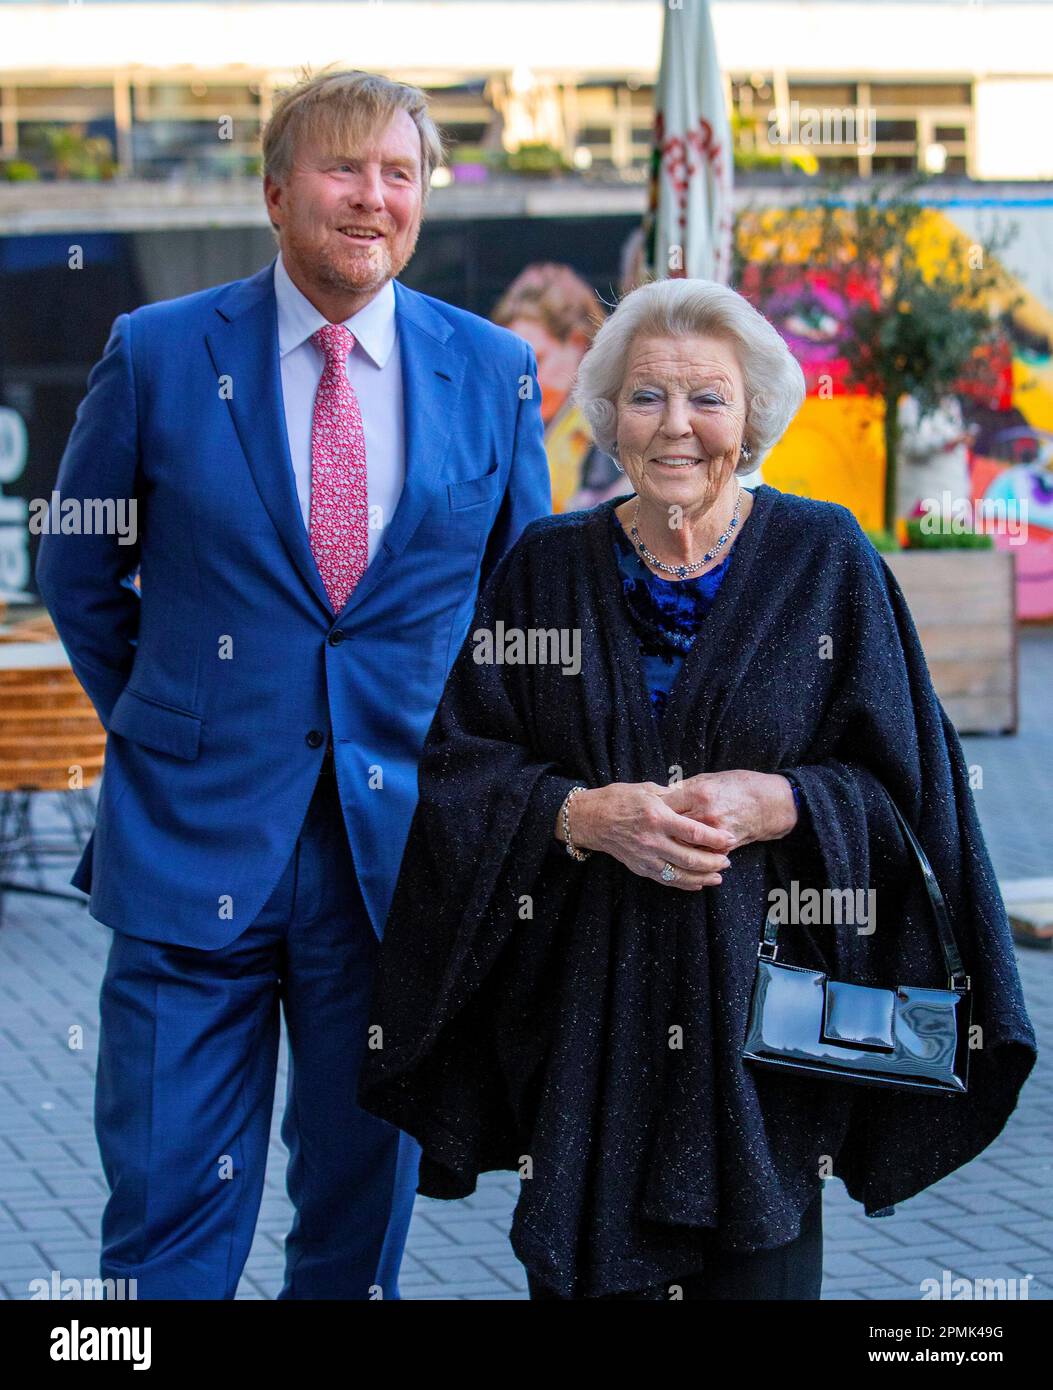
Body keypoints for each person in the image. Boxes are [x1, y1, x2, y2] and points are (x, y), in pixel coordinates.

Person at [360, 277, 1036, 1300]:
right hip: (586, 1051)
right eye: (646, 397)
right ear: (609, 417)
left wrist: (784, 800)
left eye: (707, 398)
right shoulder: (546, 568)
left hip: (765, 1058)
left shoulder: (826, 560)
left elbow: (917, 793)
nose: (676, 425)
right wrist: (583, 814)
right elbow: (461, 771)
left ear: (754, 415)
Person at [34, 68, 551, 1300]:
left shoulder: (490, 369)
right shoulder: (157, 353)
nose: (372, 197)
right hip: (189, 849)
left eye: (400, 173)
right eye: (342, 168)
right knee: (163, 1215)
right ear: (274, 192)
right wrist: (168, 728)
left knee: (356, 1218)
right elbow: (76, 567)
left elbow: (521, 610)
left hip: (397, 869)